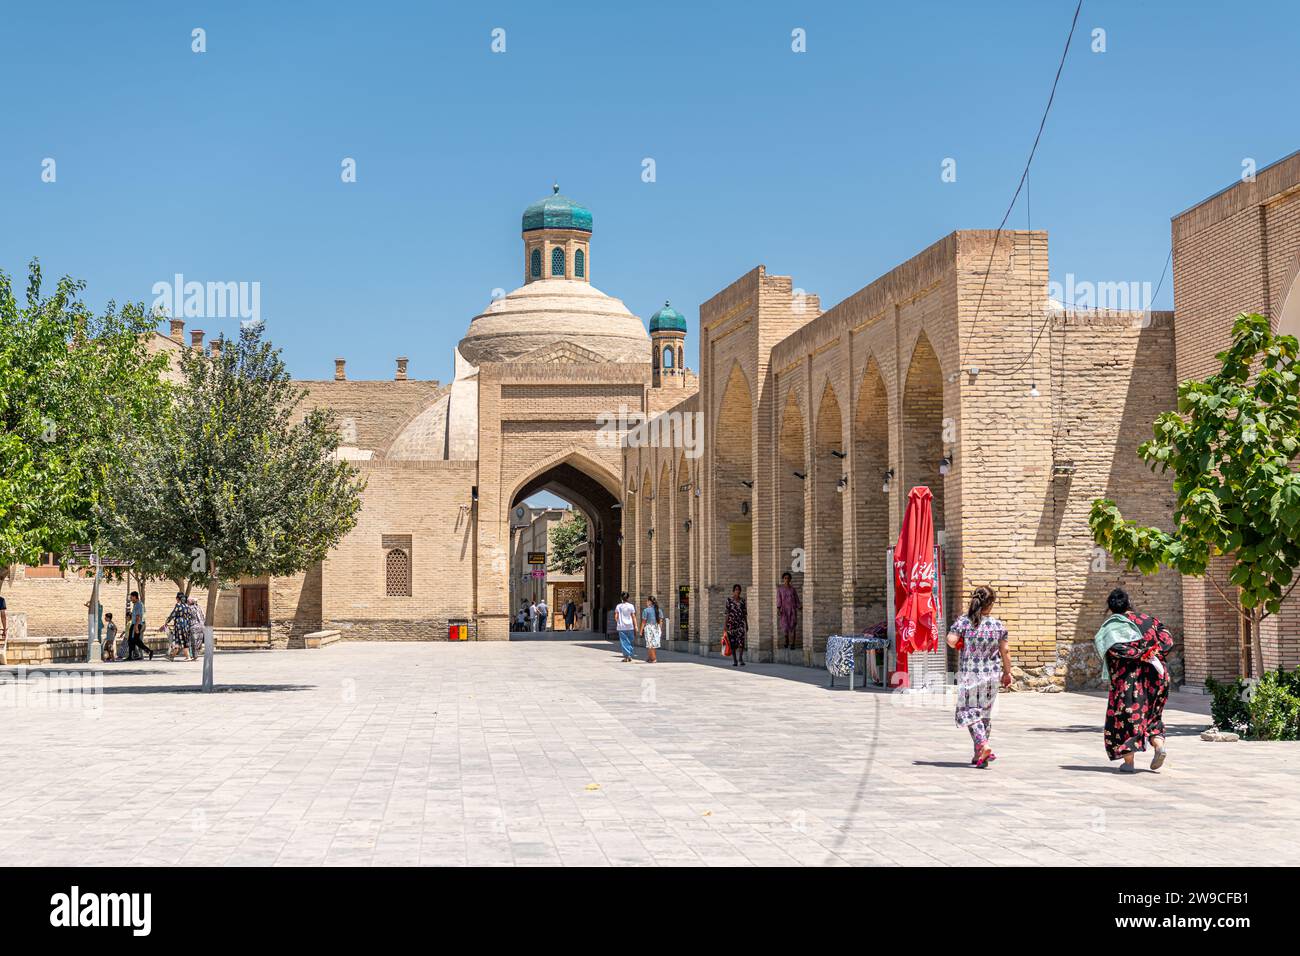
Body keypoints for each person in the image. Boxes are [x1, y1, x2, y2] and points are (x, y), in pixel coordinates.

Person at [1094, 587, 1173, 773]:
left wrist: (1138, 653)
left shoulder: (1111, 627)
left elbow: (1116, 650)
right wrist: (1150, 652)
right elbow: (1167, 641)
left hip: (1130, 681)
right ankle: (1159, 745)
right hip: (1158, 675)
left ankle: (1129, 763)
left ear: (1110, 608)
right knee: (1154, 715)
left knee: (1126, 719)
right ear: (1129, 603)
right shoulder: (1150, 621)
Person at [946, 586, 1012, 768]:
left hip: (970, 676)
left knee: (967, 712)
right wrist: (1007, 673)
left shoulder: (965, 622)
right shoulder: (998, 626)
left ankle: (983, 745)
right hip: (992, 676)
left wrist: (961, 640)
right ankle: (979, 756)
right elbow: (1005, 651)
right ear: (990, 604)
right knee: (984, 715)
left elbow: (950, 641)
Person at [162, 591, 195, 661]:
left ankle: (185, 656)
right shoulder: (187, 606)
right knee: (183, 641)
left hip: (179, 625)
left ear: (178, 598)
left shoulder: (178, 605)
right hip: (186, 625)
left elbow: (173, 614)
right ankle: (172, 656)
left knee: (177, 640)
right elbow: (190, 616)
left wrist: (166, 622)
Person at [723, 584, 747, 667]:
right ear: (733, 591)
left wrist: (746, 624)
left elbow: (744, 613)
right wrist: (725, 625)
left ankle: (740, 658)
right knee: (732, 642)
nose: (738, 591)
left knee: (741, 642)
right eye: (736, 589)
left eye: (739, 589)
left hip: (740, 623)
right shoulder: (729, 600)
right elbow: (727, 613)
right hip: (731, 624)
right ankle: (735, 660)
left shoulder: (743, 601)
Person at [777, 571, 801, 649]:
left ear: (790, 579)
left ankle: (792, 644)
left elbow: (796, 598)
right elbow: (779, 599)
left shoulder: (792, 589)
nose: (787, 579)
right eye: (785, 578)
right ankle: (786, 640)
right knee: (785, 626)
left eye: (788, 578)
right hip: (784, 610)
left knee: (793, 626)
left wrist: (799, 606)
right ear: (783, 579)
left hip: (792, 609)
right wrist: (778, 608)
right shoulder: (780, 589)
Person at [126, 591, 151, 661]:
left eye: (131, 597)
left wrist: (136, 626)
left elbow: (138, 616)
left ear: (135, 597)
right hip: (136, 623)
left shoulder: (139, 605)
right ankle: (145, 652)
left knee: (132, 640)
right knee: (134, 640)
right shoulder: (136, 604)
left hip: (137, 624)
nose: (130, 599)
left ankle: (132, 655)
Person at [614, 591, 638, 662]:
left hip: (622, 627)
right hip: (630, 626)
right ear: (628, 598)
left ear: (621, 598)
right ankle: (629, 654)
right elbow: (633, 616)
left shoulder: (619, 606)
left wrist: (618, 622)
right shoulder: (631, 606)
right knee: (630, 641)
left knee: (624, 642)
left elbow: (616, 616)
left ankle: (626, 656)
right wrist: (635, 625)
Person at [640, 595, 663, 664]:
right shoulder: (659, 610)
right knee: (653, 644)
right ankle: (650, 657)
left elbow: (644, 622)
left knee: (650, 644)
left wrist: (641, 631)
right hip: (656, 628)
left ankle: (654, 659)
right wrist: (660, 630)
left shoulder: (646, 610)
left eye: (647, 601)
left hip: (649, 628)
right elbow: (661, 621)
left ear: (650, 602)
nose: (646, 602)